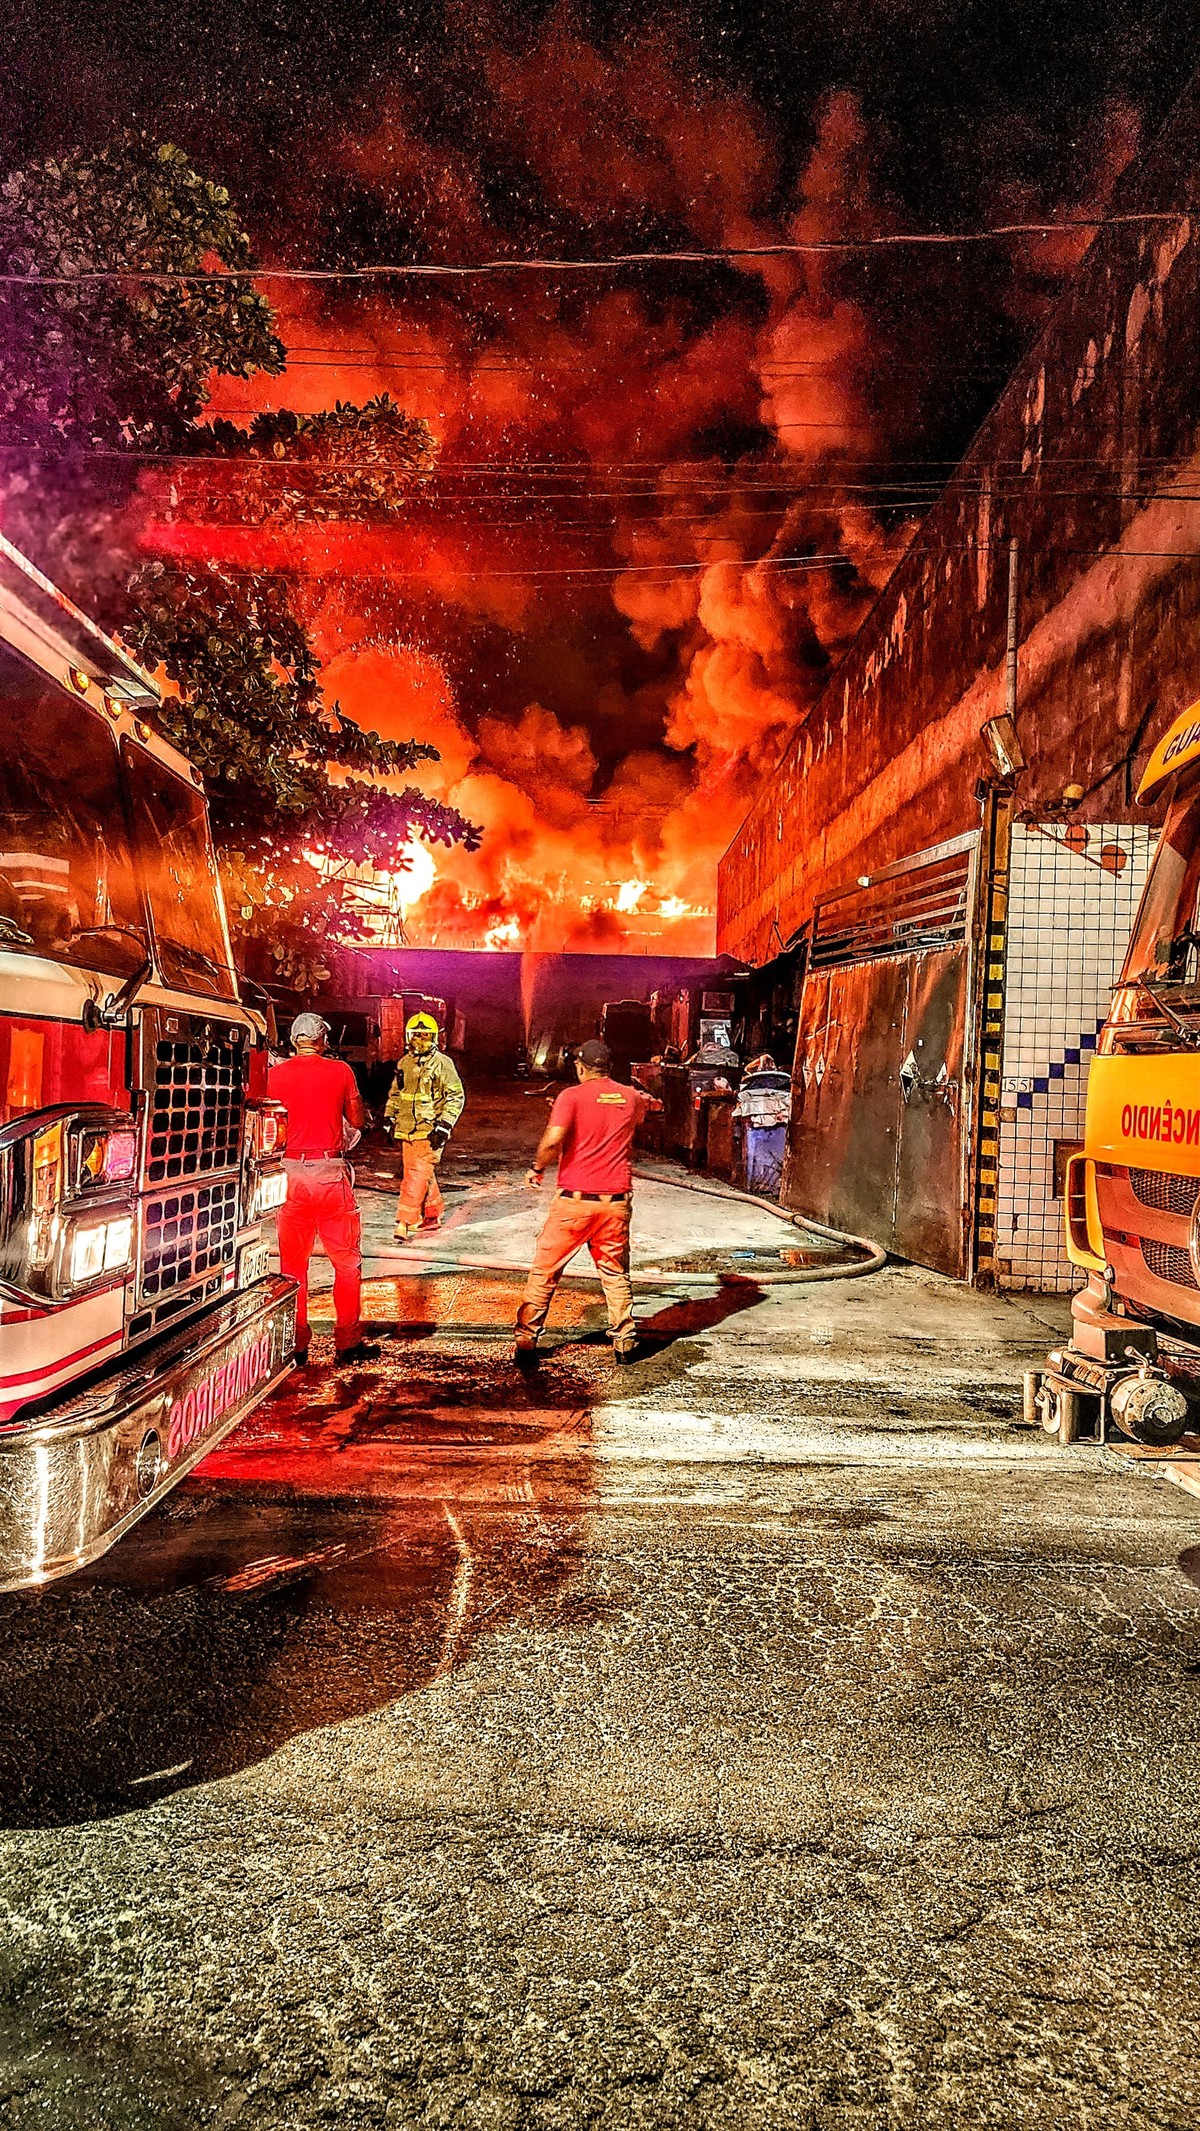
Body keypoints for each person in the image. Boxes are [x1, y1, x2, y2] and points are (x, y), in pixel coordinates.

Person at [516, 1037, 656, 1366]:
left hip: (574, 1204)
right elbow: (636, 1120)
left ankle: (526, 1340)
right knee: (614, 1272)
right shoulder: (631, 1096)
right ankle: (624, 1340)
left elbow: (553, 1140)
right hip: (615, 1203)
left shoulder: (571, 1097)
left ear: (580, 1066)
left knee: (545, 1270)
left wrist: (537, 1169)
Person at [268, 1011, 376, 1366]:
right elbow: (357, 1120)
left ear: (294, 1040)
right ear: (322, 1040)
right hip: (329, 1172)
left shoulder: (273, 1075)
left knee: (292, 1264)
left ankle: (295, 1346)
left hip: (288, 1175)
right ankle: (347, 1343)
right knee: (345, 1261)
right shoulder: (340, 1072)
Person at [384, 1011, 466, 1241]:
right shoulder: (404, 1063)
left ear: (435, 1038)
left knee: (416, 1176)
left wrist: (445, 1125)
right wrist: (389, 1118)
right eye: (416, 1035)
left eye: (425, 1035)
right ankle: (431, 1215)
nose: (420, 1040)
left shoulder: (443, 1064)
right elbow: (396, 1093)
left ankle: (405, 1221)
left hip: (430, 1131)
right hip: (406, 1129)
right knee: (418, 1173)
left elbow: (456, 1096)